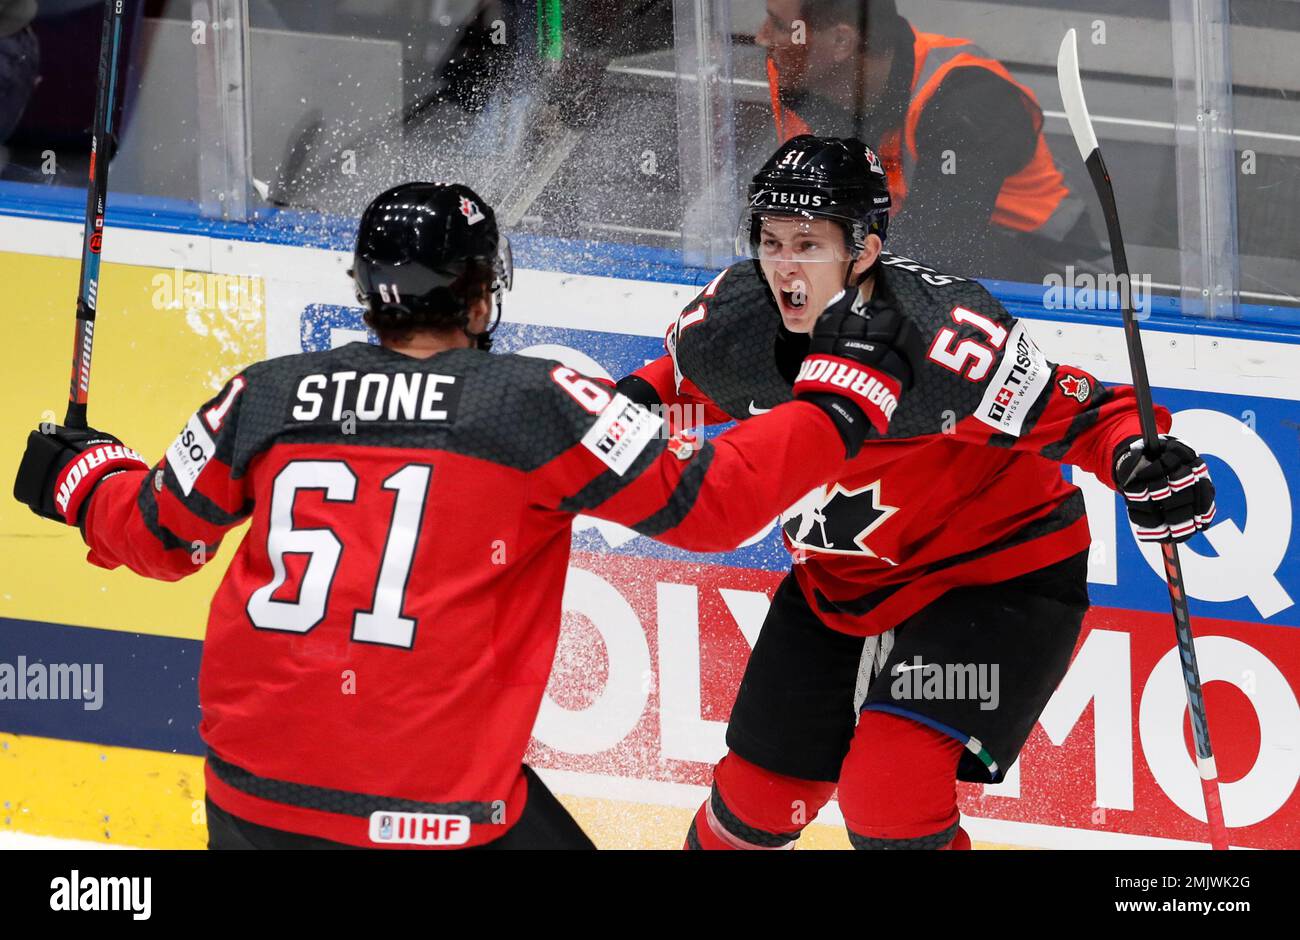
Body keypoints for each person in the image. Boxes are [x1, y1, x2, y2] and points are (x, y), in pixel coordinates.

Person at [12, 181, 916, 850]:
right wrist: (839, 402)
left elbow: (156, 535)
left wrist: (80, 479)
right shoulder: (530, 404)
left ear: (368, 290)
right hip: (429, 817)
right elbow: (717, 501)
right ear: (483, 293)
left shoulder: (266, 394)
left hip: (250, 804)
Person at [615, 136, 1216, 850]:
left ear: (864, 249)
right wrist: (588, 429)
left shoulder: (948, 343)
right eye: (771, 241)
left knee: (890, 793)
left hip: (996, 584)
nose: (785, 266)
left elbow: (1089, 420)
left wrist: (1142, 462)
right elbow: (681, 400)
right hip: (837, 587)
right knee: (758, 803)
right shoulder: (735, 326)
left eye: (809, 243)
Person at [755, 0, 1100, 281]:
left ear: (841, 42)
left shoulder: (968, 97)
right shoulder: (796, 72)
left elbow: (938, 247)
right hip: (890, 252)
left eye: (781, 27)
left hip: (1048, 275)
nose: (761, 37)